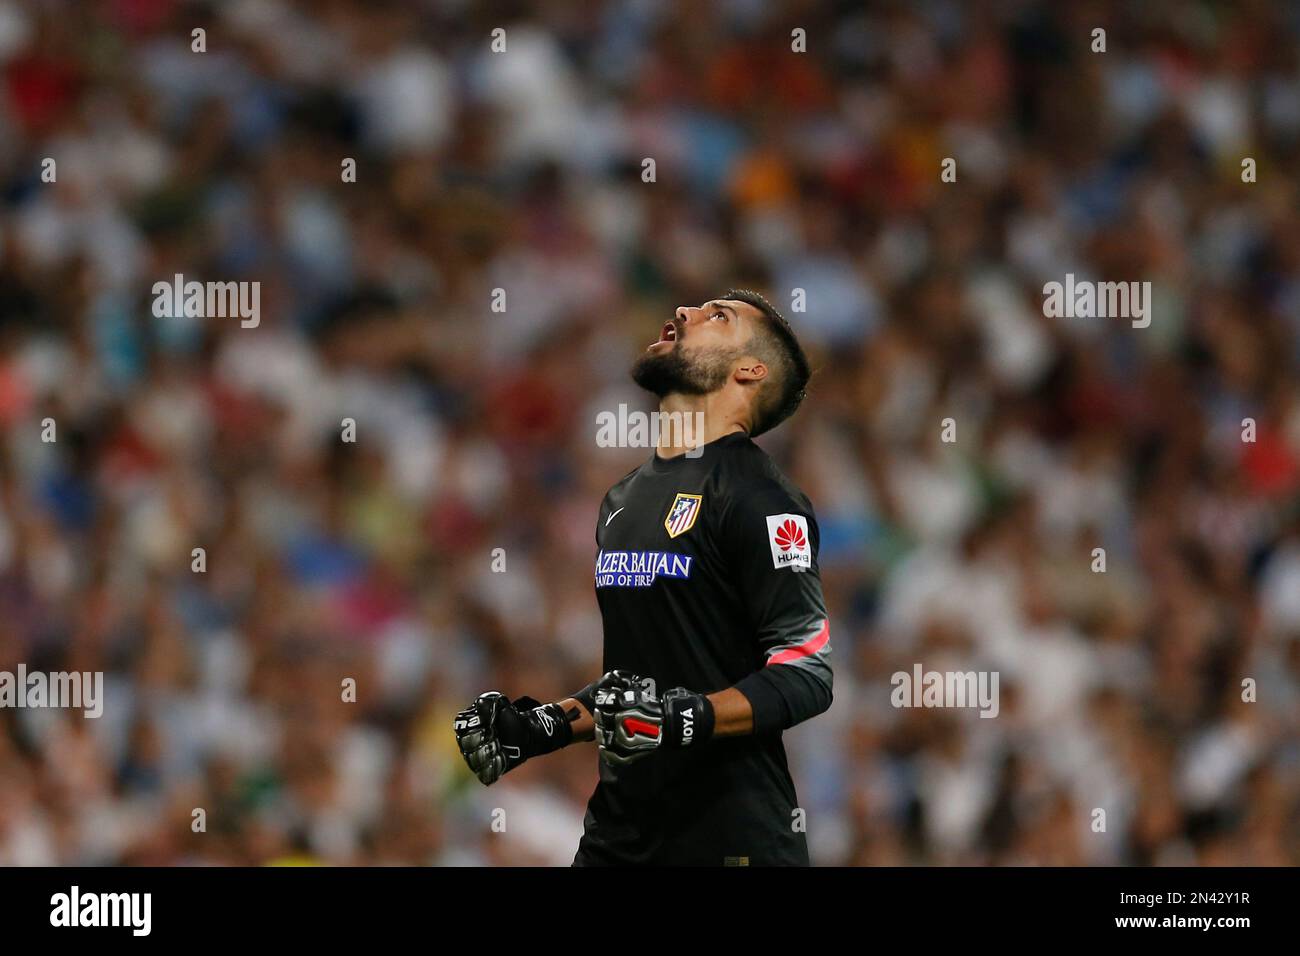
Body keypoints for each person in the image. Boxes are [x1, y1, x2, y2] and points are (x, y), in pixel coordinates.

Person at [454, 290, 833, 865]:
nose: (684, 312)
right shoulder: (622, 500)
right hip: (621, 834)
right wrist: (541, 728)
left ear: (750, 371)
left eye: (718, 316)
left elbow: (806, 670)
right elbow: (638, 684)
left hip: (730, 839)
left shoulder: (762, 499)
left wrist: (682, 718)